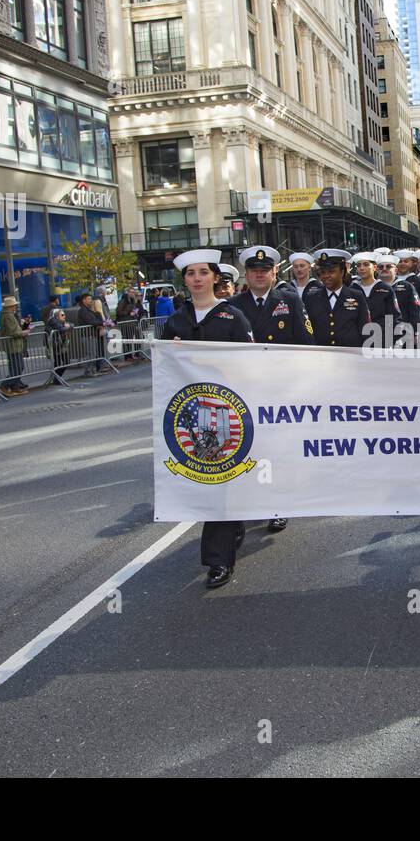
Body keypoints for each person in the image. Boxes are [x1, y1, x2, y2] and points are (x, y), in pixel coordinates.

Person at [162, 249, 255, 588]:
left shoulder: (232, 316)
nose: (197, 278)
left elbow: (251, 364)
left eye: (203, 272)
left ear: (216, 277)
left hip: (229, 411)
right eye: (190, 274)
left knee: (221, 479)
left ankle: (218, 561)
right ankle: (234, 524)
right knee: (208, 480)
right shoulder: (176, 321)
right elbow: (163, 372)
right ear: (184, 280)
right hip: (191, 413)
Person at [231, 245, 314, 535]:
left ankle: (277, 505)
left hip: (281, 388)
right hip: (246, 390)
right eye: (254, 270)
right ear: (246, 273)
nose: (259, 274)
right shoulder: (233, 305)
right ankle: (252, 502)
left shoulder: (289, 301)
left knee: (278, 451)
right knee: (250, 448)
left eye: (264, 270)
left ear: (274, 272)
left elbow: (305, 343)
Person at [302, 250, 371, 346]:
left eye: (331, 272)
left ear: (342, 272)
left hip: (350, 355)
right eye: (322, 272)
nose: (326, 276)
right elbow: (307, 330)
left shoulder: (356, 295)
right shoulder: (311, 298)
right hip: (321, 354)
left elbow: (365, 328)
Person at [350, 252, 403, 345]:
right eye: (358, 265)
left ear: (374, 267)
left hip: (382, 340)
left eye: (366, 264)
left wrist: (394, 339)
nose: (362, 268)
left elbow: (394, 316)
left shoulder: (386, 289)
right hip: (357, 342)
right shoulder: (352, 289)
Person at [0, 295, 31, 395]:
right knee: (17, 367)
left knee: (17, 367)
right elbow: (12, 332)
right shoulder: (7, 316)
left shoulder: (9, 315)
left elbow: (16, 329)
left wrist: (25, 325)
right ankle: (5, 385)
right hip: (13, 345)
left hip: (15, 345)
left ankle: (15, 387)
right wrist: (24, 333)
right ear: (10, 306)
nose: (15, 307)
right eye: (14, 306)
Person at [72, 291, 107, 376]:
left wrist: (99, 322)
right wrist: (100, 323)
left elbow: (94, 319)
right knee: (90, 354)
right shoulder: (83, 310)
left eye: (90, 299)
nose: (90, 300)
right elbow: (90, 321)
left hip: (92, 334)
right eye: (88, 299)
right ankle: (88, 371)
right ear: (84, 300)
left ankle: (91, 370)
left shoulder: (88, 310)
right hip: (87, 335)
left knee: (93, 353)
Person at [45, 306, 71, 378]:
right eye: (62, 315)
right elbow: (61, 328)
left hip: (62, 345)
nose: (64, 316)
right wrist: (67, 327)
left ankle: (57, 378)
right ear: (57, 316)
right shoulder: (52, 320)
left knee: (66, 362)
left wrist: (67, 326)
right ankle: (57, 378)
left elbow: (71, 325)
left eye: (64, 314)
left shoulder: (62, 322)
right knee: (58, 363)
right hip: (55, 345)